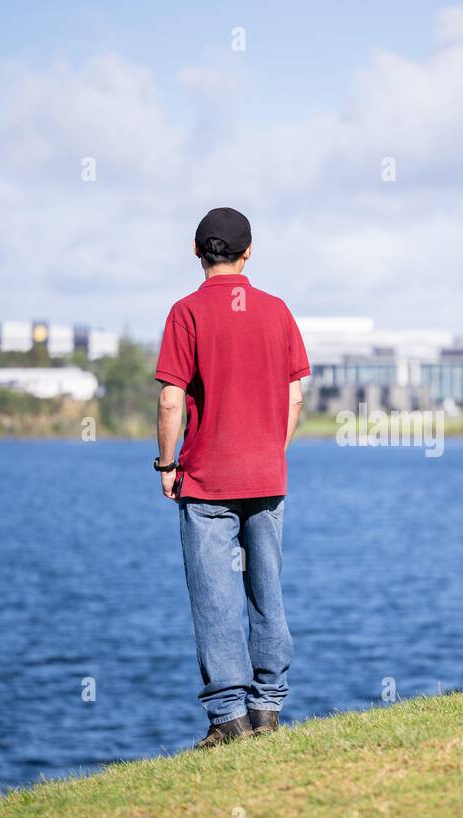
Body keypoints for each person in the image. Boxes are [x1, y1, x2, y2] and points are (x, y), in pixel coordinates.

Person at [153, 207, 309, 748]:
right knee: (268, 590)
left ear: (197, 252)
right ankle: (268, 709)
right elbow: (295, 398)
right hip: (267, 476)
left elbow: (171, 397)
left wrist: (167, 464)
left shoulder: (185, 313)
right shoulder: (277, 311)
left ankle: (228, 718)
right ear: (250, 252)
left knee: (215, 596)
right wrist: (270, 450)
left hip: (206, 481)